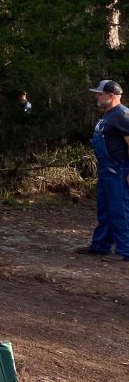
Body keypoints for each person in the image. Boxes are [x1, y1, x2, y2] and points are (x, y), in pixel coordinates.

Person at [75, 80, 129, 261]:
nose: (96, 96)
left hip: (119, 170)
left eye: (99, 93)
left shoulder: (123, 115)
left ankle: (125, 251)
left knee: (120, 211)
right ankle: (101, 246)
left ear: (111, 95)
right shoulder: (108, 115)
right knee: (105, 210)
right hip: (106, 170)